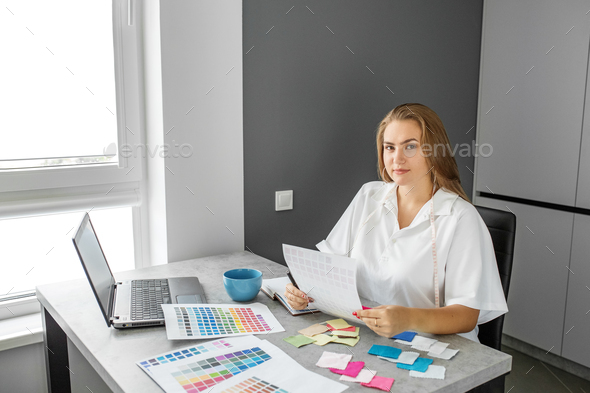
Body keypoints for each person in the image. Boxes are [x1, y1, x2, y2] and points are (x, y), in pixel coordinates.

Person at [283, 103, 507, 342]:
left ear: (434, 151)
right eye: (389, 147)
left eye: (410, 146)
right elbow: (329, 264)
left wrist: (407, 319)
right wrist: (305, 290)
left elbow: (466, 317)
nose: (397, 158)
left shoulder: (461, 218)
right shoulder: (369, 196)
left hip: (435, 348)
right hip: (367, 338)